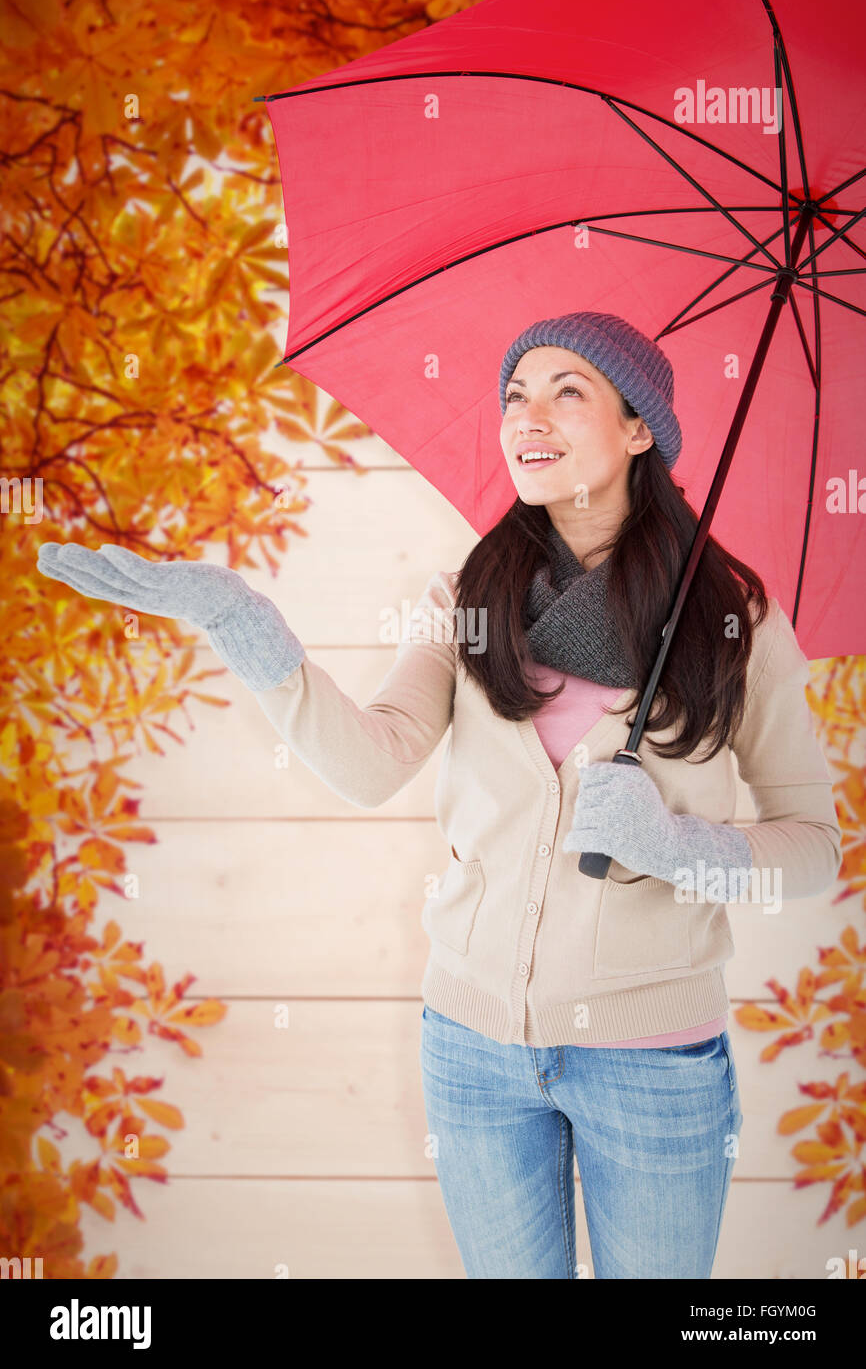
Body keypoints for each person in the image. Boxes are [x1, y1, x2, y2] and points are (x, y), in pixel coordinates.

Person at [36, 311, 842, 1280]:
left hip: (653, 1060)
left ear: (640, 431)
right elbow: (371, 761)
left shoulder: (731, 619)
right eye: (513, 394)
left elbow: (812, 846)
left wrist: (681, 847)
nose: (524, 417)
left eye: (565, 391)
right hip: (471, 1051)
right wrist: (241, 623)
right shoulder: (468, 591)